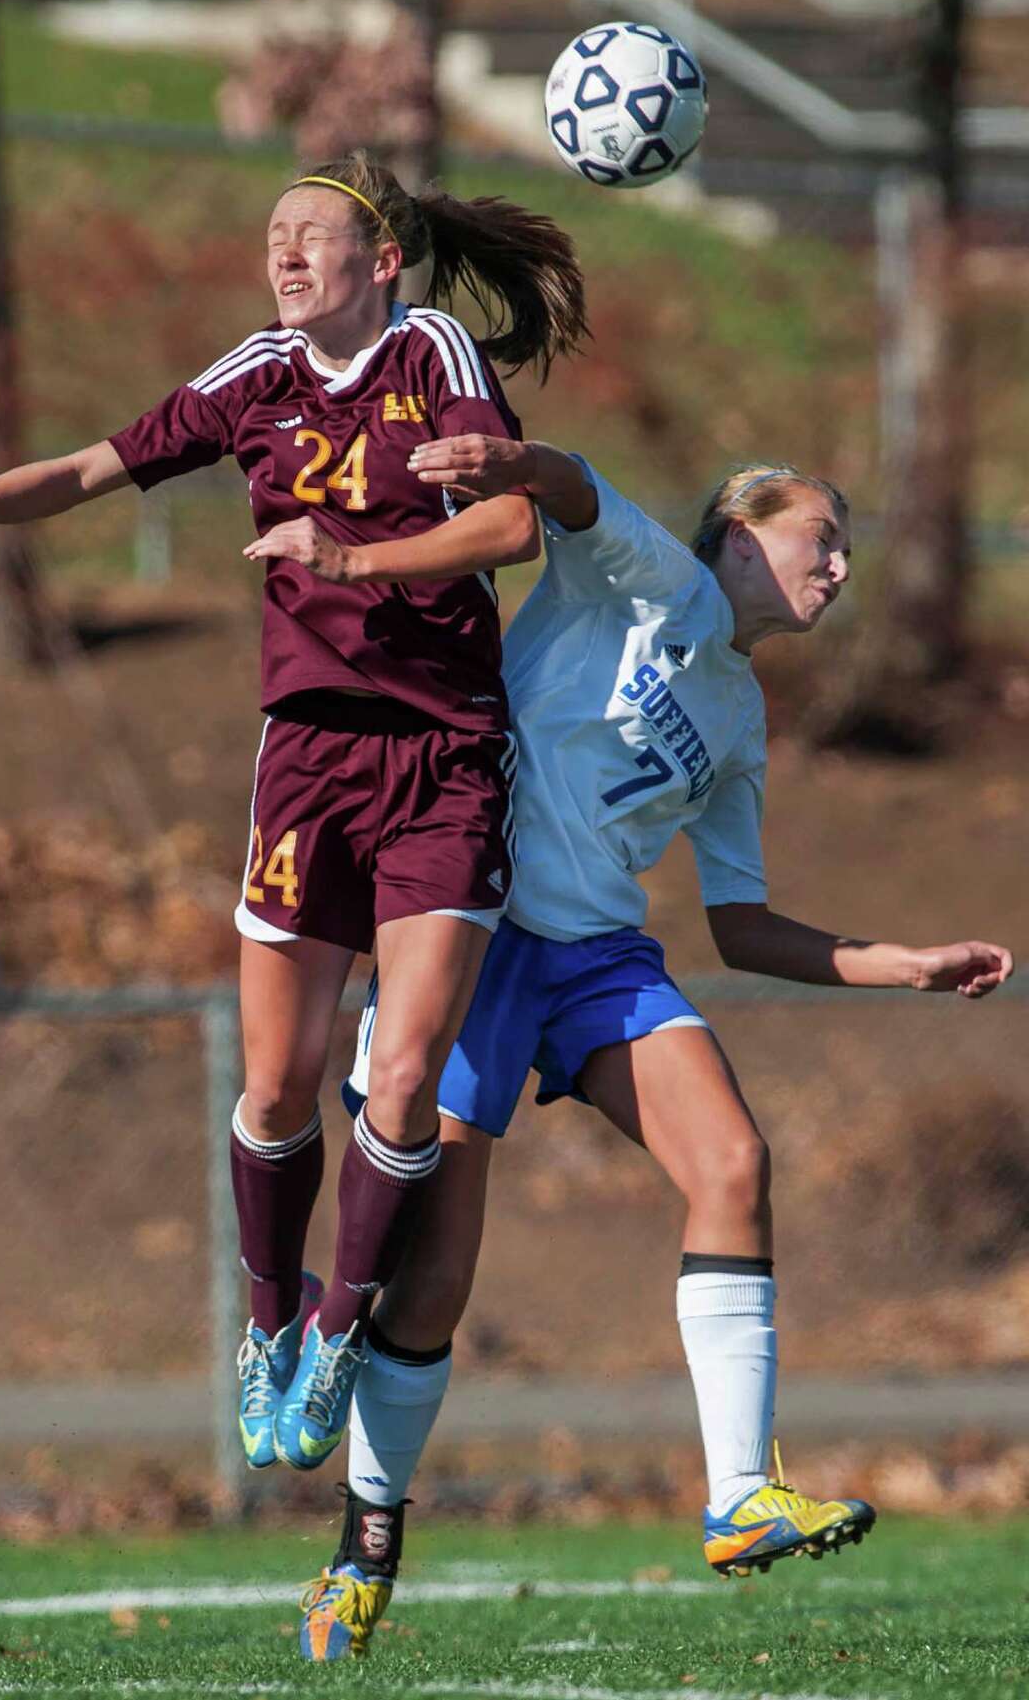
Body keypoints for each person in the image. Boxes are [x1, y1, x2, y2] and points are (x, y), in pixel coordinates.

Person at [0, 153, 587, 1474]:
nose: (286, 254)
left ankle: (342, 1325)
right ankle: (269, 1324)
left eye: (312, 234)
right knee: (275, 1083)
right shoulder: (256, 380)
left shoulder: (435, 358)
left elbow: (516, 528)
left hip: (447, 760)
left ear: (383, 262)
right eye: (273, 236)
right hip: (306, 763)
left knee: (403, 1074)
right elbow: (87, 469)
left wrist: (351, 555)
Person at [295, 437, 1015, 1660]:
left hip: (598, 959)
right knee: (437, 1272)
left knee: (733, 1163)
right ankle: (366, 1542)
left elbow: (738, 925)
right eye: (818, 539)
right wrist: (511, 455)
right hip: (479, 929)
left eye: (843, 549)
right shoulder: (639, 576)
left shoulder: (740, 713)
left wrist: (901, 961)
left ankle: (741, 1494)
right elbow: (568, 492)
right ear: (739, 537)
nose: (838, 567)